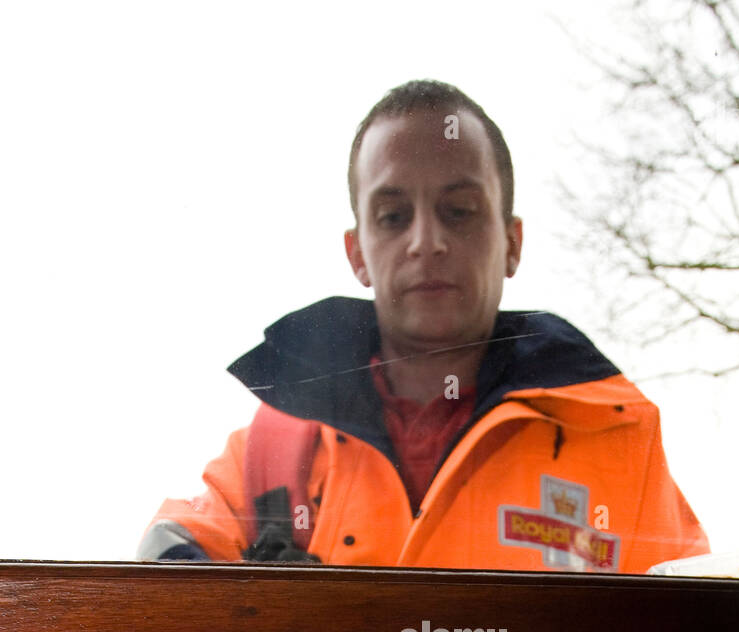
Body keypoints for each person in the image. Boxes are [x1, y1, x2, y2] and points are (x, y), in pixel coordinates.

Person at [137, 80, 709, 574]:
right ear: (357, 251)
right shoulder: (275, 451)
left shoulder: (619, 442)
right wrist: (239, 612)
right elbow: (161, 573)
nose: (426, 242)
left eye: (458, 211)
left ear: (511, 243)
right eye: (393, 216)